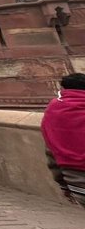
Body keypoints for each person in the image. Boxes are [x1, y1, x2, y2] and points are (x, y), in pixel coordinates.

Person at [41, 73, 85, 208]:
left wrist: (63, 185)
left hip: (75, 180)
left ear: (64, 88)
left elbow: (51, 152)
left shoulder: (53, 110)